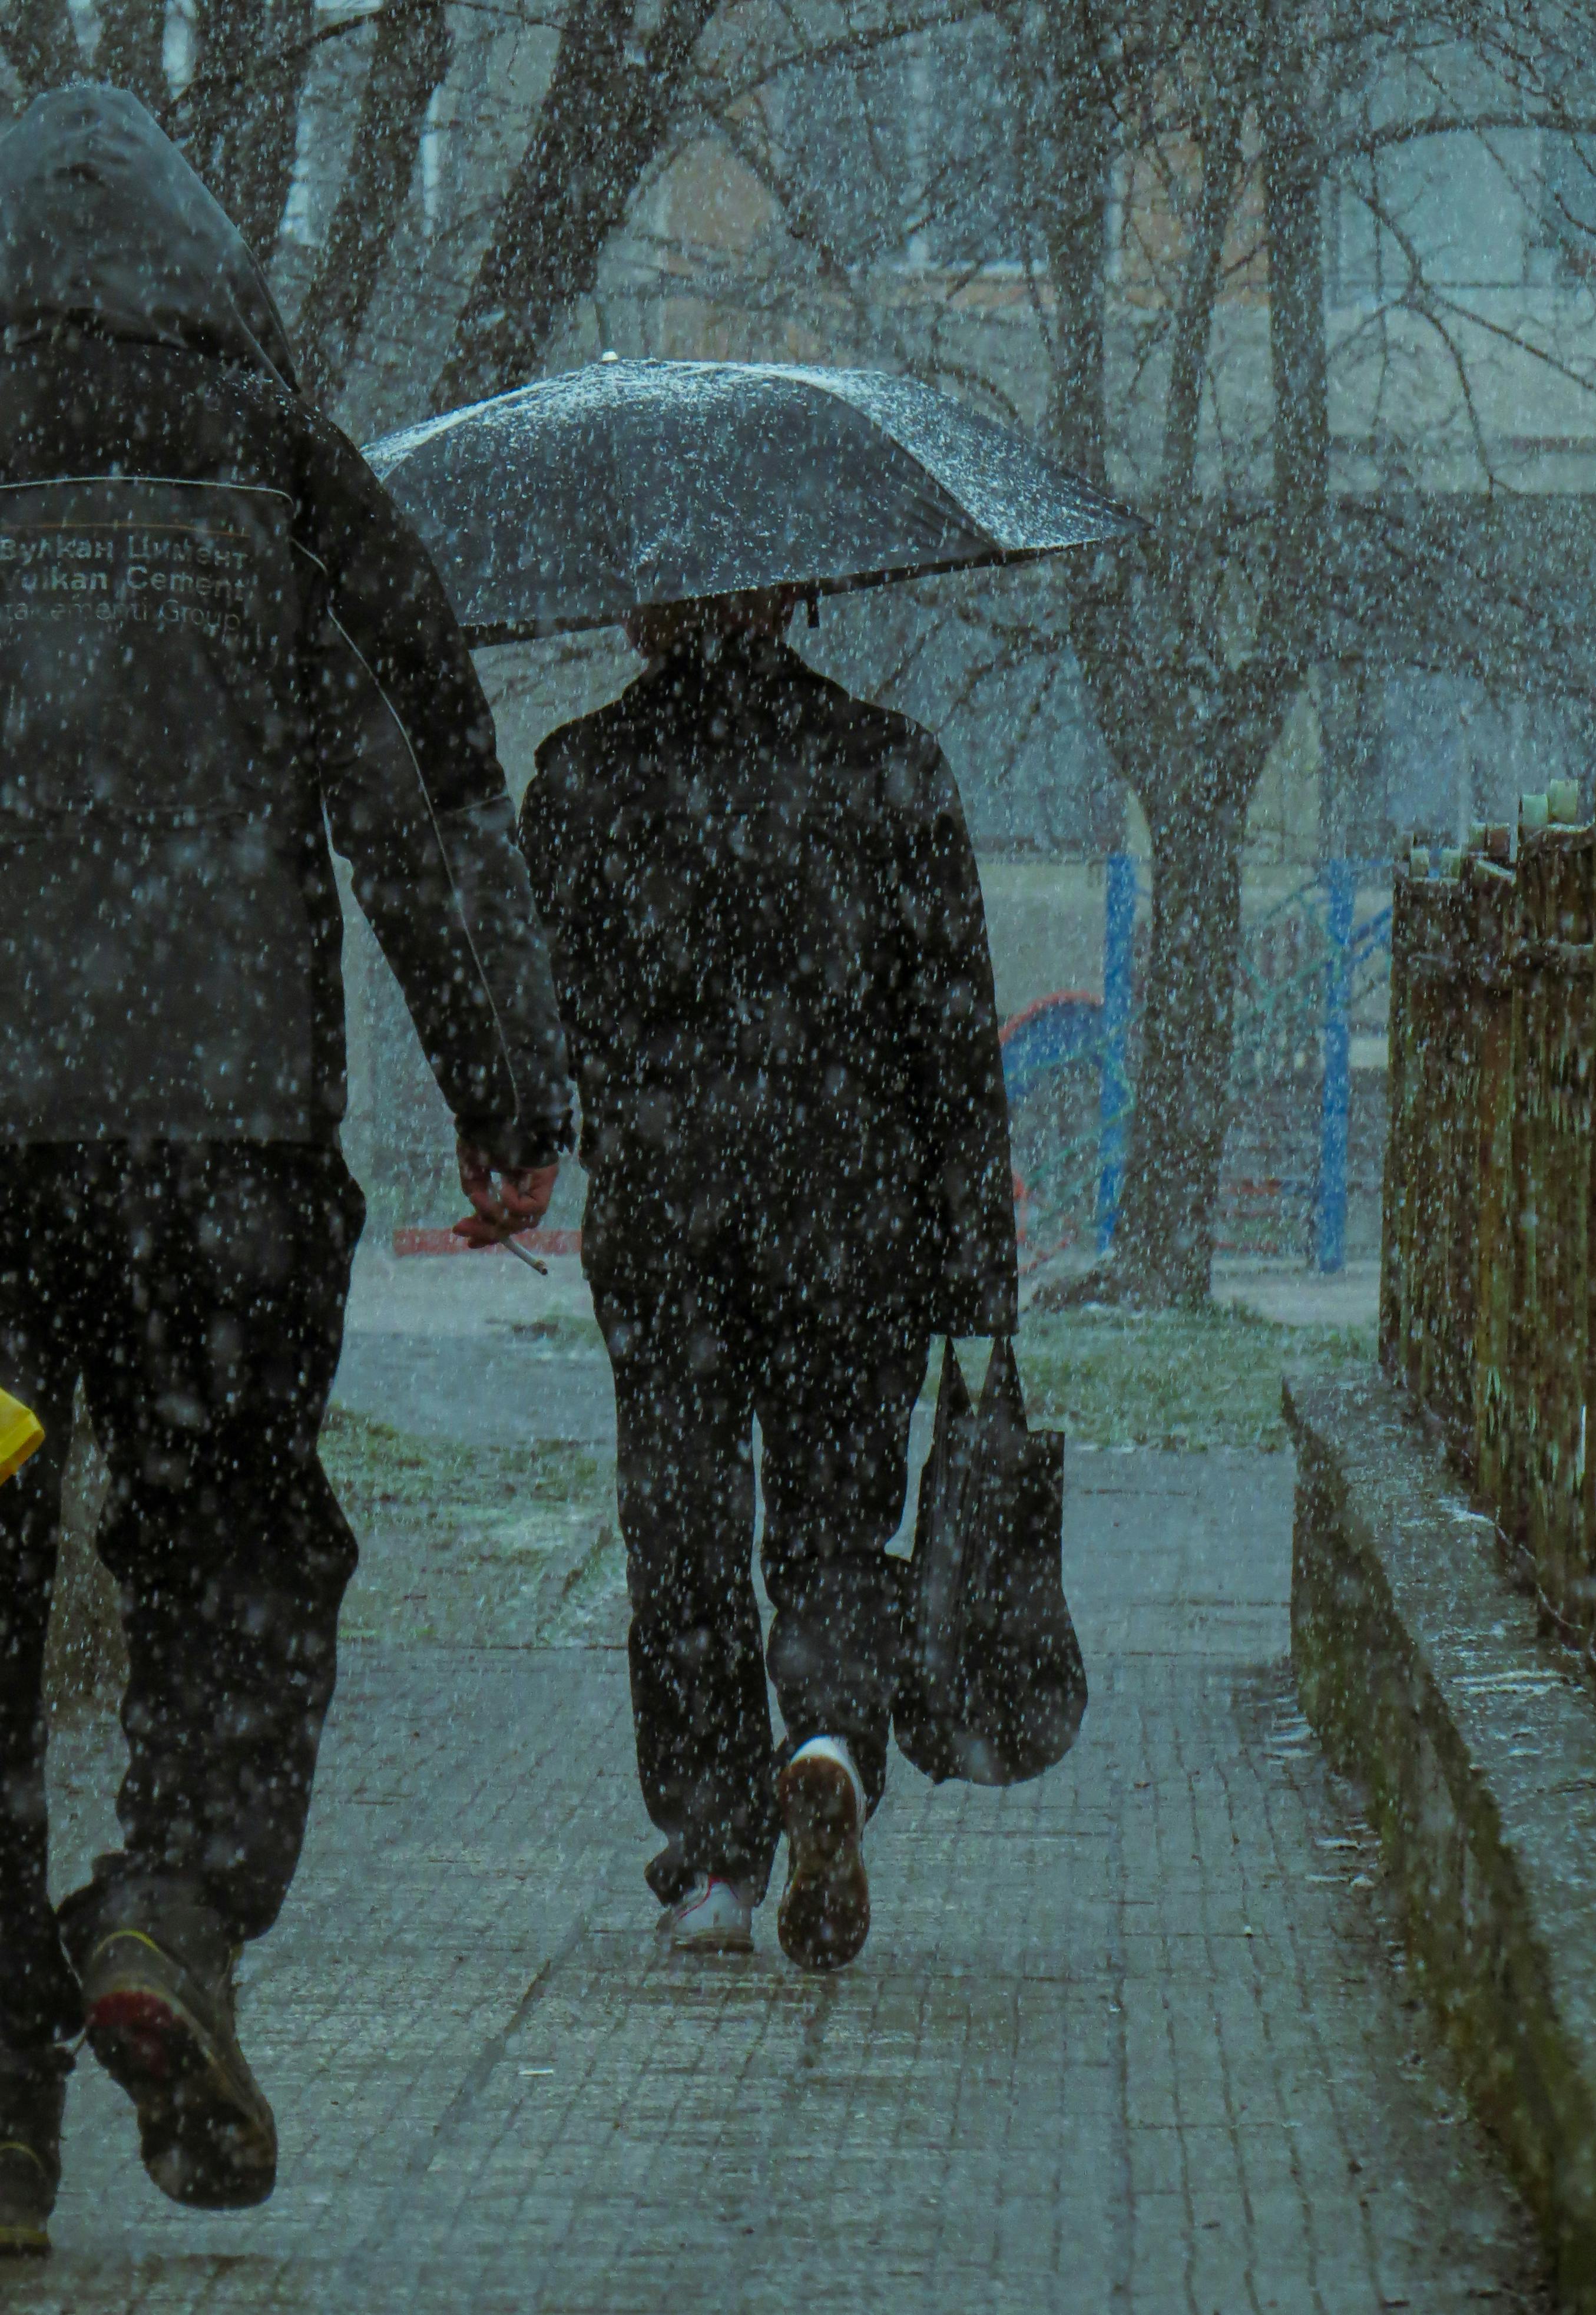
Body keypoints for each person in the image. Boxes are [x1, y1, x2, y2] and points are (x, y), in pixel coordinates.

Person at [0, 89, 571, 2251]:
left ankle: (5, 2134)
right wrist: (505, 1091)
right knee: (233, 1556)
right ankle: (166, 1908)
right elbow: (424, 802)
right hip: (222, 1163)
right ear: (207, 268)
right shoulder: (284, 477)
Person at [519, 586, 1015, 1972]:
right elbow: (955, 1037)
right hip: (850, 1217)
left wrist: (541, 1126)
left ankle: (714, 1865)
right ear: (795, 595)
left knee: (679, 1521)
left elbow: (536, 1005)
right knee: (834, 1520)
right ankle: (825, 1737)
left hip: (667, 1221)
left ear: (638, 612)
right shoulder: (889, 765)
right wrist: (981, 1274)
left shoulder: (577, 780)